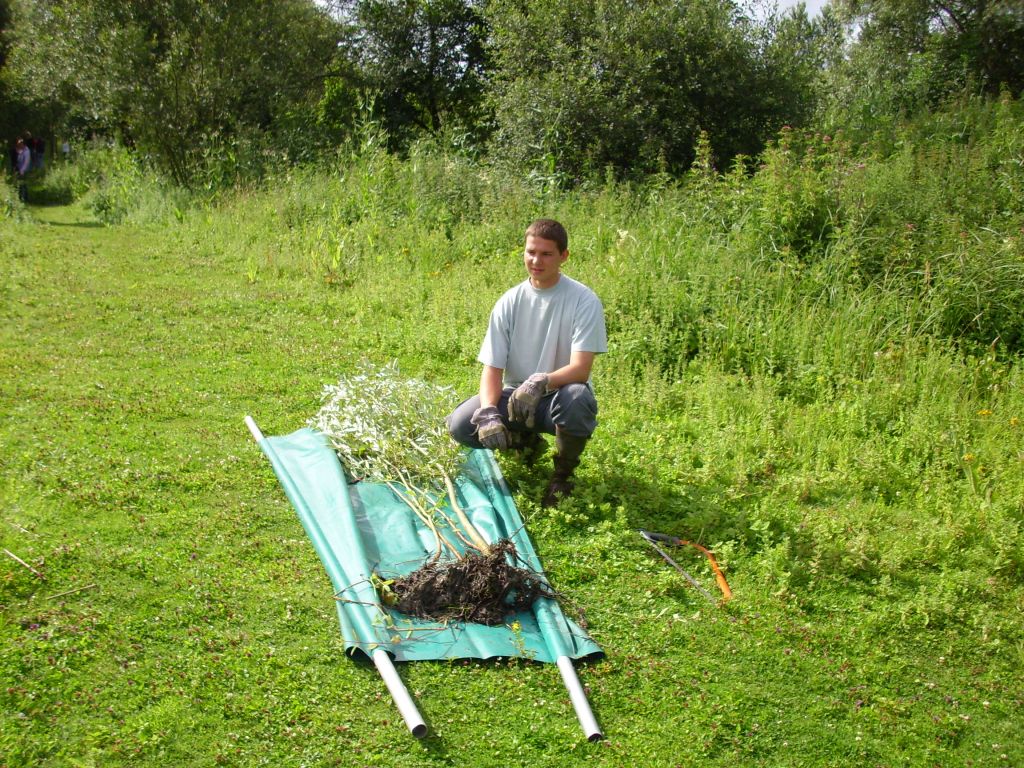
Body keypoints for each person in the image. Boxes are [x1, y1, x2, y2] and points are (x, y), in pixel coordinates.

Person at [447, 219, 607, 506]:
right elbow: (492, 368)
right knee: (461, 424)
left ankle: (563, 475)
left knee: (577, 397)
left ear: (563, 256)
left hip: (557, 397)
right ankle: (524, 441)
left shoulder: (583, 300)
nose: (537, 260)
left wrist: (542, 380)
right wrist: (487, 413)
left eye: (546, 254)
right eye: (531, 252)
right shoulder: (509, 301)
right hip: (515, 398)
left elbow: (581, 369)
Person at [14, 138, 30, 203]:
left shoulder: (26, 151)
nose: (19, 146)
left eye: (20, 144)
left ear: (23, 144)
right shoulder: (21, 150)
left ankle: (25, 198)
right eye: (18, 144)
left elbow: (26, 162)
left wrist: (22, 171)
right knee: (20, 184)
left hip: (24, 170)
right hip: (19, 169)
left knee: (23, 184)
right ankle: (20, 198)